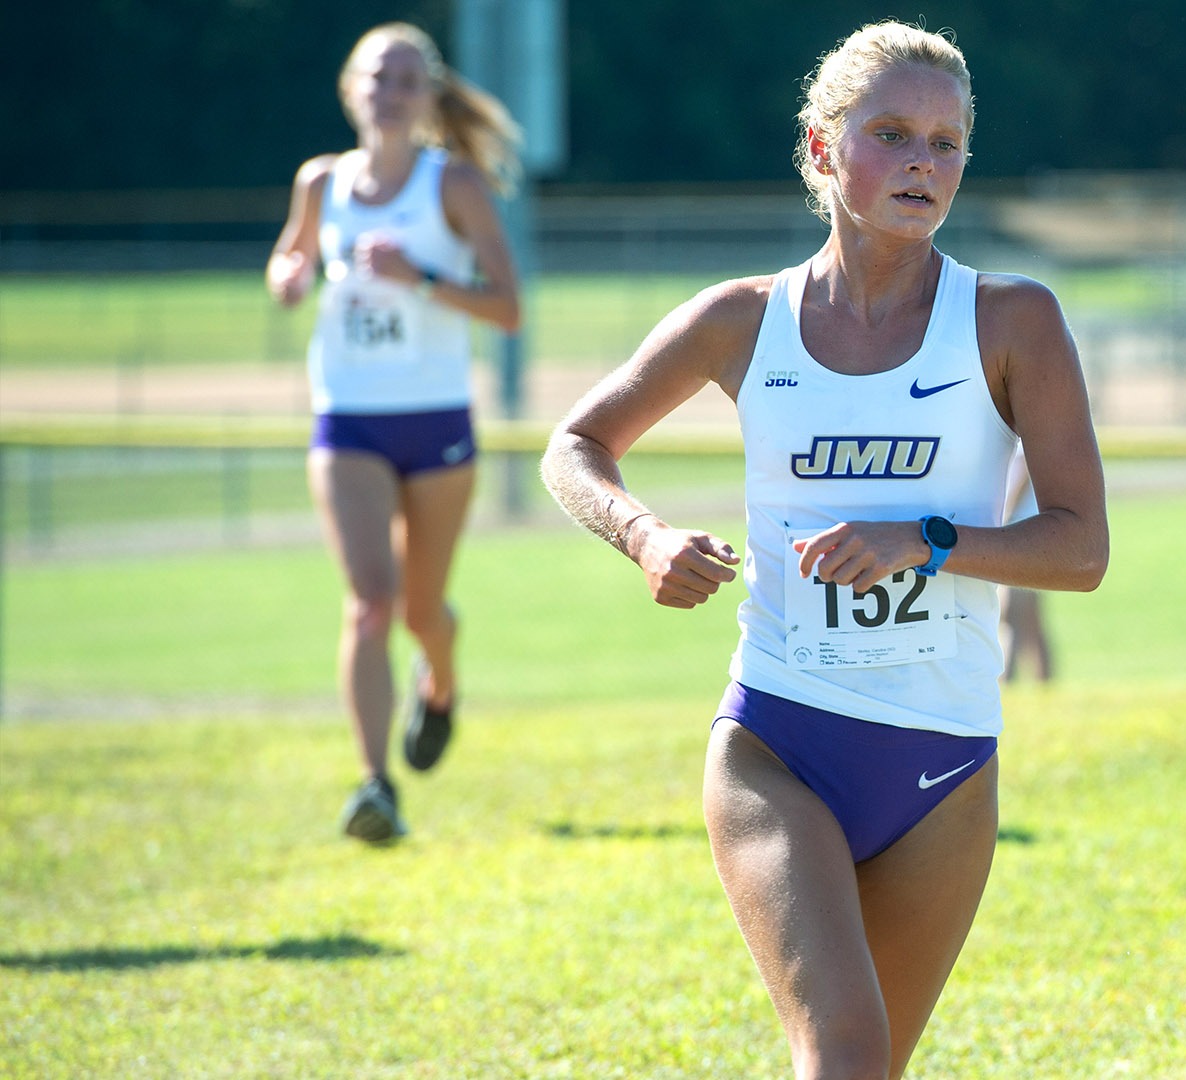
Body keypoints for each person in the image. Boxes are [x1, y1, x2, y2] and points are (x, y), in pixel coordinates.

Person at [540, 22, 1106, 1077]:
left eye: (946, 143)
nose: (923, 165)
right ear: (820, 148)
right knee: (841, 1050)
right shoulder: (742, 321)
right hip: (779, 740)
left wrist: (925, 541)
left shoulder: (1014, 321)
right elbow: (575, 444)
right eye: (891, 135)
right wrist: (643, 533)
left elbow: (1080, 550)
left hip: (943, 760)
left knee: (870, 1066)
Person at [266, 22, 523, 843]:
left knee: (421, 611)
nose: (392, 91)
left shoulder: (453, 187)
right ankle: (376, 786)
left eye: (409, 78)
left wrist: (425, 278)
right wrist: (292, 275)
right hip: (346, 414)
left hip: (436, 418)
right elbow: (285, 268)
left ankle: (440, 685)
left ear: (428, 97)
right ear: (352, 88)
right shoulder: (320, 183)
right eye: (379, 76)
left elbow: (508, 307)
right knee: (370, 603)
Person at [999, 443, 1055, 682]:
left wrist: (1002, 517)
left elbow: (1022, 469)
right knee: (1029, 621)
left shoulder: (1022, 432)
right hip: (1029, 530)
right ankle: (1043, 683)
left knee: (1009, 616)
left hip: (1019, 530)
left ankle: (1008, 683)